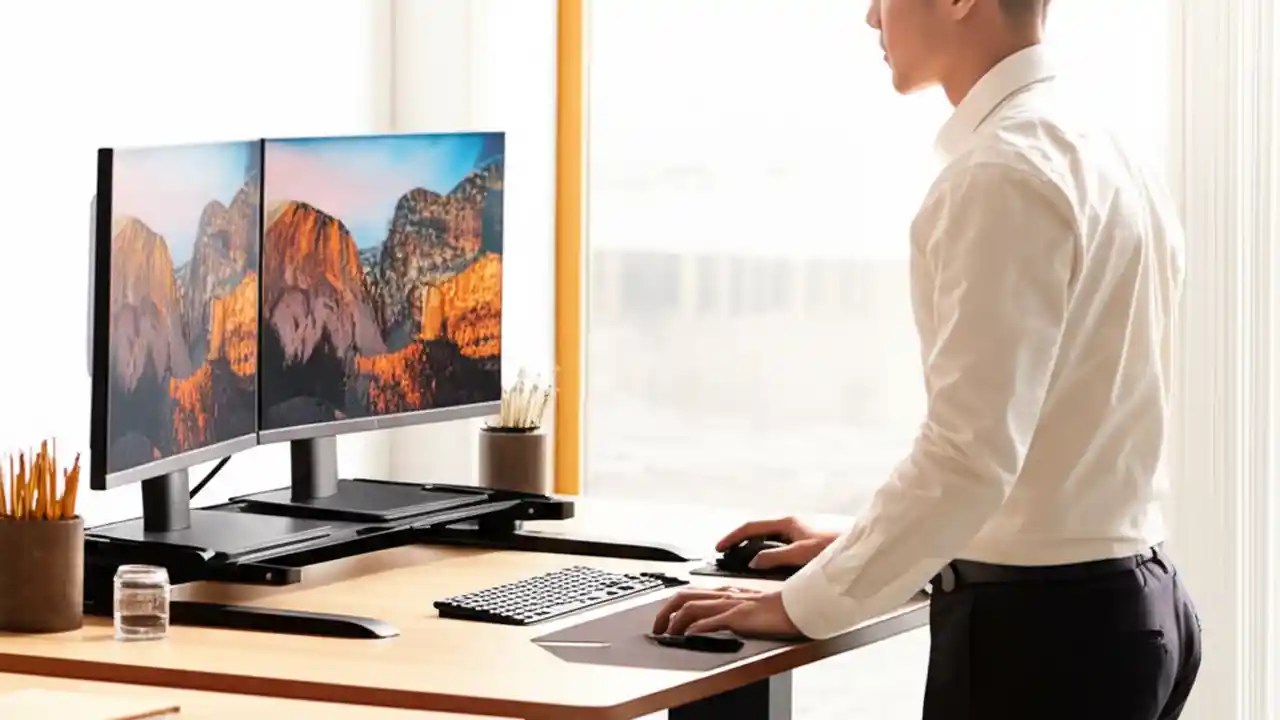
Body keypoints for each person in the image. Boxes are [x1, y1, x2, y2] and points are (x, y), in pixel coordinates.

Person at [652, 1, 1201, 717]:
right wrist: (862, 545)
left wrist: (798, 606)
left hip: (1046, 639)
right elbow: (1064, 434)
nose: (871, 16)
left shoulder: (1003, 170)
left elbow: (968, 456)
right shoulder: (1101, 141)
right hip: (1132, 608)